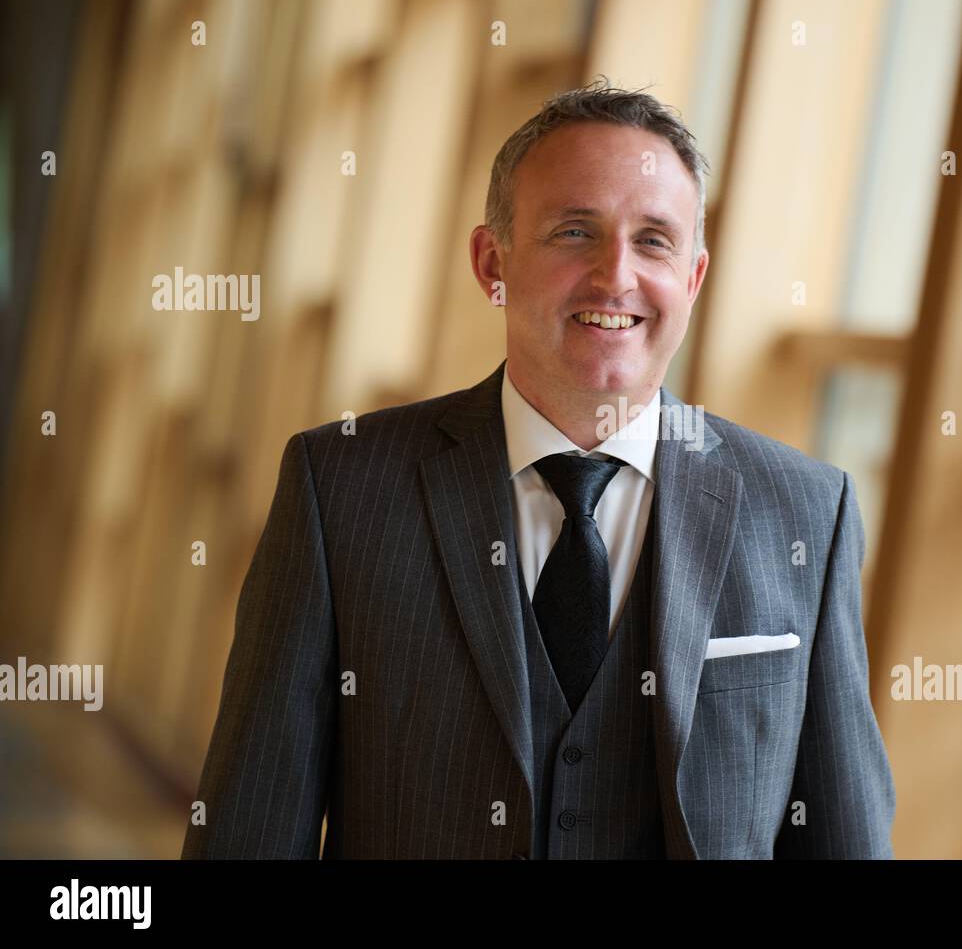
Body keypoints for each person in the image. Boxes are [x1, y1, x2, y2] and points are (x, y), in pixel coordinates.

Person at [182, 78, 894, 859]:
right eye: (574, 232)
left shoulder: (805, 512)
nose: (616, 276)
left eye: (654, 239)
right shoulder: (341, 488)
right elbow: (250, 826)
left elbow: (843, 839)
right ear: (494, 261)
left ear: (692, 279)